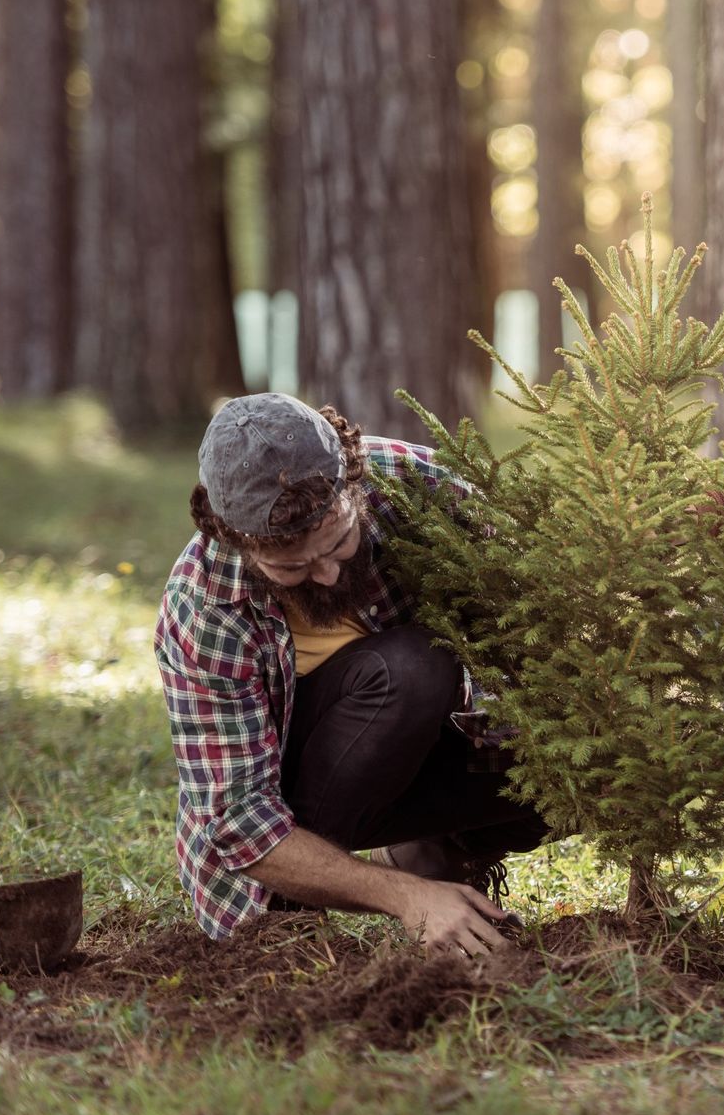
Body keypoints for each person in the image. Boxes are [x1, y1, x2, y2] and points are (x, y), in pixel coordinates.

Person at [155, 393, 547, 958]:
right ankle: (294, 909)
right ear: (234, 539)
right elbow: (239, 820)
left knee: (550, 767)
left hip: (420, 749)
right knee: (407, 669)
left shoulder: (416, 487)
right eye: (292, 567)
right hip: (289, 805)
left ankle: (438, 851)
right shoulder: (203, 610)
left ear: (353, 481)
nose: (328, 574)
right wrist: (407, 899)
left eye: (340, 541)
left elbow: (537, 595)